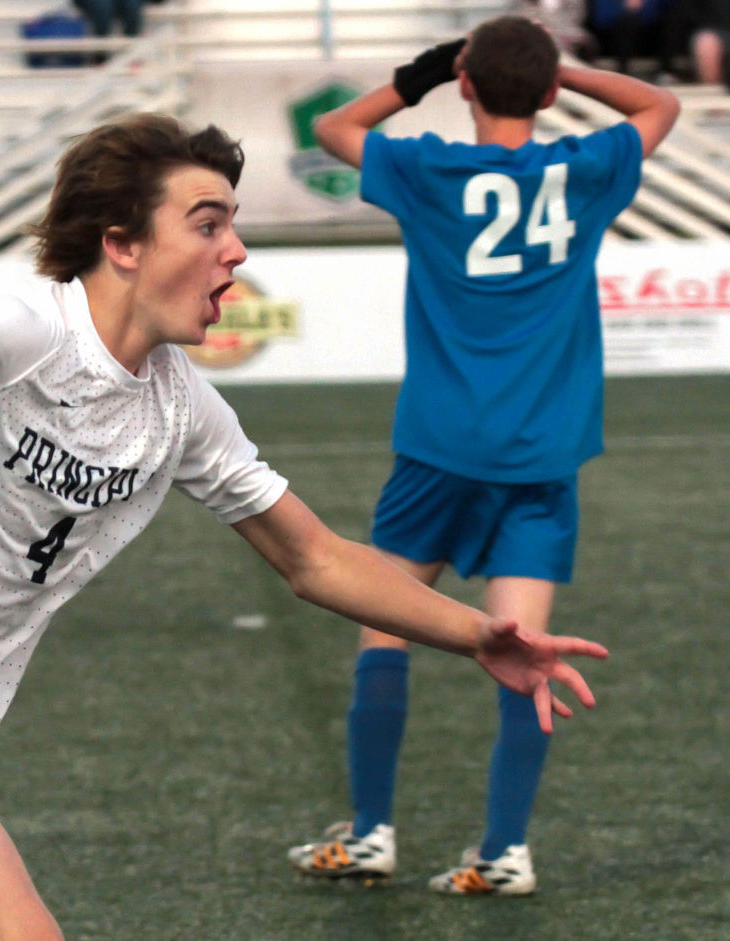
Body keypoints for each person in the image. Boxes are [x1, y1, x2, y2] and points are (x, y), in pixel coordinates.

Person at [0, 113, 609, 941]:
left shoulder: (180, 410)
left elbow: (315, 558)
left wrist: (478, 633)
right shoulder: (34, 327)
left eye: (233, 224)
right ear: (123, 242)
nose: (236, 250)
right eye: (208, 223)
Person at [285, 16, 678, 895]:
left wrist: (415, 77)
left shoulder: (429, 169)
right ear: (545, 94)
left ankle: (375, 831)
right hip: (543, 455)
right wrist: (563, 73)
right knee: (527, 648)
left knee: (384, 625)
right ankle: (505, 849)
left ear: (465, 85)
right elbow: (661, 101)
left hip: (441, 445)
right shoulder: (585, 170)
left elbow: (333, 130)